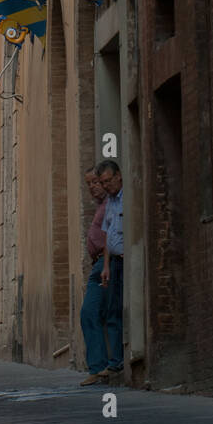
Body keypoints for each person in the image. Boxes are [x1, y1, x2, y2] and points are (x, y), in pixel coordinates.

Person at [79, 167, 110, 385]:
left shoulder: (111, 204)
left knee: (89, 312)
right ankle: (100, 367)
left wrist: (106, 264)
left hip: (103, 264)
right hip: (98, 264)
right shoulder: (103, 206)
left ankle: (100, 367)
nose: (92, 187)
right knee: (95, 313)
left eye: (95, 182)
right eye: (88, 183)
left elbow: (111, 235)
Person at [99, 160, 124, 378]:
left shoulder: (128, 197)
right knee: (112, 311)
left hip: (127, 262)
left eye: (108, 181)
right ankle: (116, 361)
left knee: (123, 310)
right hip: (114, 263)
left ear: (119, 176)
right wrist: (106, 266)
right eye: (103, 183)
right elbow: (107, 234)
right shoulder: (110, 201)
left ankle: (122, 358)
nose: (106, 186)